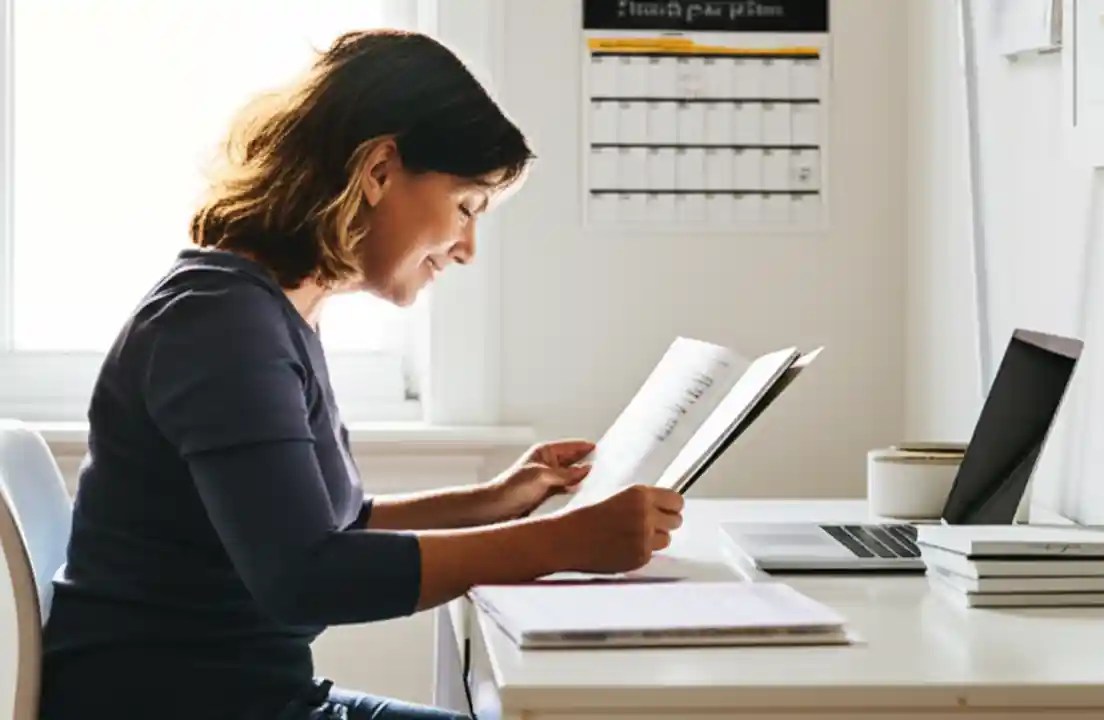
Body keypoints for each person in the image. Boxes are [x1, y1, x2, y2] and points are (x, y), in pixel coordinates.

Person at [38, 29, 684, 720]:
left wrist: (495, 499)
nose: (466, 248)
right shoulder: (221, 323)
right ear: (378, 169)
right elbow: (304, 577)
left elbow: (324, 528)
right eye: (467, 207)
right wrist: (564, 542)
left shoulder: (268, 309)